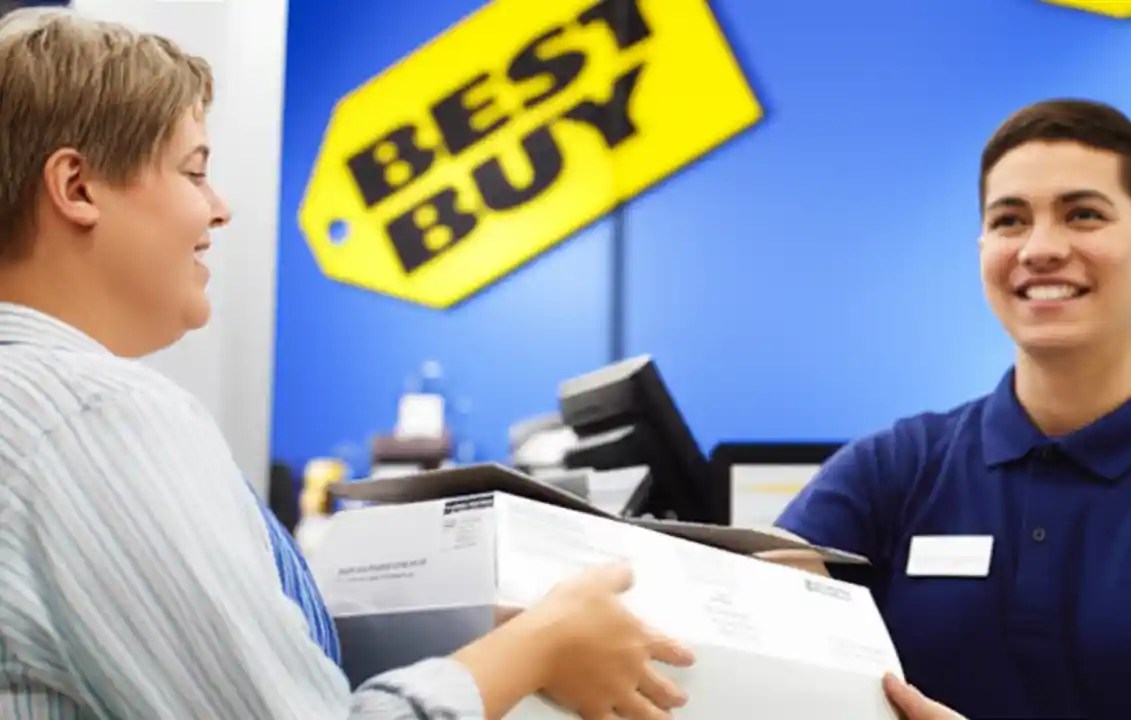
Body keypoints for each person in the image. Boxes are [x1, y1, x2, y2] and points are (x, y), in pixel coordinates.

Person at [0, 8, 692, 719]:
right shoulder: (92, 418)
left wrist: (469, 638)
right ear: (77, 188)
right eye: (194, 171)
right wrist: (537, 647)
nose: (218, 208)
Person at [769, 99, 1131, 719]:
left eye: (1083, 215)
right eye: (1010, 220)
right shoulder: (894, 469)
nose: (1040, 248)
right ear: (983, 245)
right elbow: (749, 627)